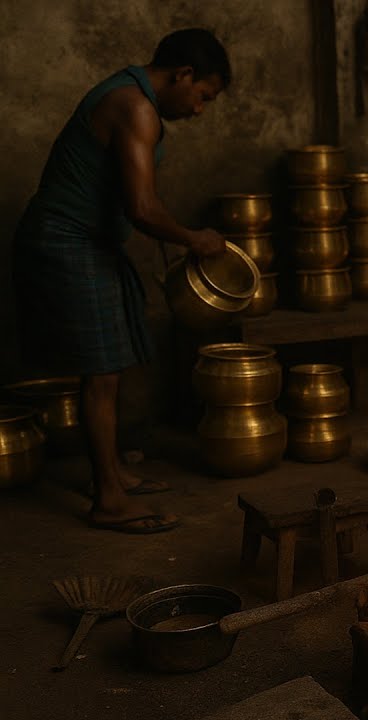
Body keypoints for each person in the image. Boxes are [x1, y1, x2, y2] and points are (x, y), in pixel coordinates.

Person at [12, 28, 230, 533]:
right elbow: (142, 209)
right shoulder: (135, 107)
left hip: (88, 240)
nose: (199, 110)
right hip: (65, 239)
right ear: (183, 75)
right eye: (201, 97)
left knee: (112, 363)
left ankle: (110, 473)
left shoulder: (130, 92)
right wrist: (194, 239)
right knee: (101, 373)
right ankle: (108, 497)